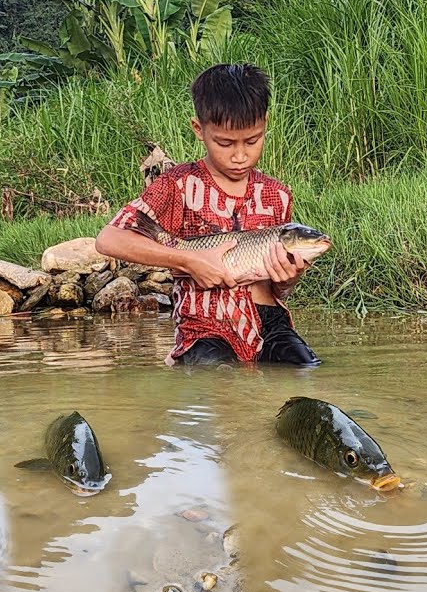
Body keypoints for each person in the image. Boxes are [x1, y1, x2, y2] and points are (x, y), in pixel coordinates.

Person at [94, 63, 321, 367]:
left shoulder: (277, 195)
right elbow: (108, 239)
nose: (240, 156)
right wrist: (188, 260)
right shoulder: (178, 185)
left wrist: (290, 277)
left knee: (306, 371)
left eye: (252, 141)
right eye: (225, 143)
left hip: (270, 322)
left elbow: (277, 288)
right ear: (199, 130)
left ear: (265, 124)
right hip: (205, 327)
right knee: (215, 383)